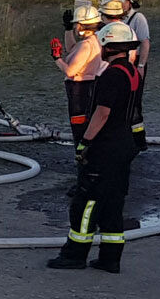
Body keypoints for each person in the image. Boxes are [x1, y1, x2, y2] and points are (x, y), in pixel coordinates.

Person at [50, 22, 142, 273]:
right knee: (113, 203)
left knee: (86, 201)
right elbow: (134, 112)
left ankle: (75, 254)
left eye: (103, 44)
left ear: (110, 47)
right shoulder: (132, 72)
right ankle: (110, 258)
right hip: (123, 145)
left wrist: (85, 142)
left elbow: (102, 113)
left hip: (106, 146)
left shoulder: (111, 75)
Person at [104, 0, 151, 149]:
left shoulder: (138, 19)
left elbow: (145, 43)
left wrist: (141, 66)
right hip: (117, 63)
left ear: (130, 2)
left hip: (134, 63)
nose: (119, 5)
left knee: (134, 103)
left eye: (121, 2)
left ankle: (139, 141)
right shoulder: (115, 20)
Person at [54, 0, 104, 145]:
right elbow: (72, 48)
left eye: (76, 24)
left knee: (79, 123)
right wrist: (68, 29)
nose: (75, 27)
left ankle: (82, 152)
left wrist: (57, 59)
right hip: (88, 87)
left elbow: (70, 71)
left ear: (82, 25)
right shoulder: (93, 40)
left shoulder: (86, 45)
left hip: (79, 90)